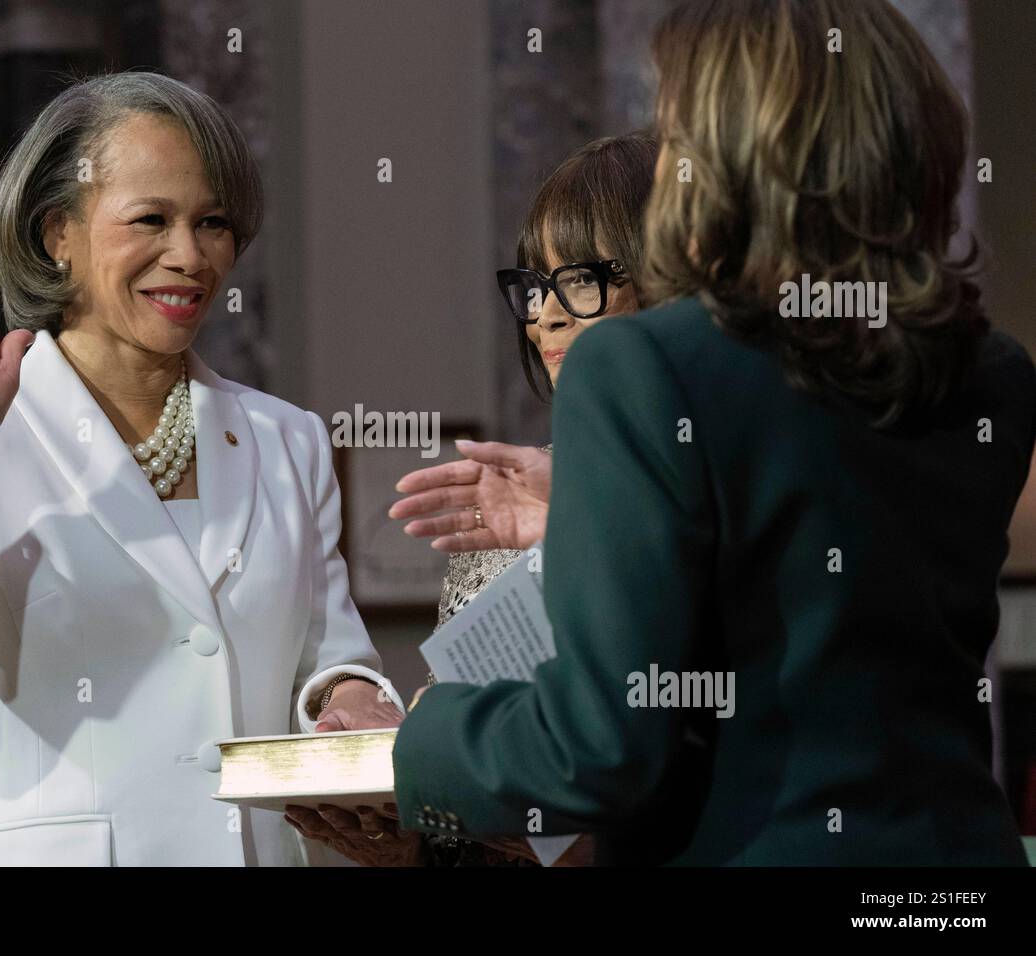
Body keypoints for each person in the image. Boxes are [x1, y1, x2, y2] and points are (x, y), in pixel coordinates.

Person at [388, 0, 1034, 865]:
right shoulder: (992, 370)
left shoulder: (646, 365)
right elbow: (818, 604)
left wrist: (421, 741)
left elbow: (595, 751)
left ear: (737, 153)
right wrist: (601, 520)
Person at [0, 71, 404, 867]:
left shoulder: (290, 440)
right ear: (55, 235)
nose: (190, 256)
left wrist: (349, 697)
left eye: (213, 222)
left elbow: (330, 662)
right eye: (151, 218)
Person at [286, 133, 658, 865]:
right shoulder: (504, 509)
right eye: (535, 285)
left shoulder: (734, 484)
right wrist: (422, 844)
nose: (545, 316)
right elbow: (483, 790)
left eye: (579, 279)